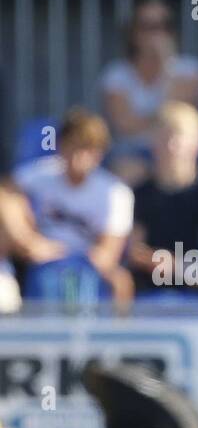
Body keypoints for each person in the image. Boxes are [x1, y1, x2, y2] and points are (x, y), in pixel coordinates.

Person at [0, 108, 134, 308]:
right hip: (41, 260)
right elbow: (5, 193)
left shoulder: (115, 192)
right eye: (73, 147)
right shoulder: (43, 174)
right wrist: (28, 239)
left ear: (100, 153)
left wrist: (71, 257)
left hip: (88, 264)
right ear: (60, 146)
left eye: (88, 149)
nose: (79, 157)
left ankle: (115, 336)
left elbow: (108, 253)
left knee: (121, 282)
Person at [126, 101, 198, 301]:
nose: (171, 145)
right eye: (164, 137)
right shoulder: (141, 193)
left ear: (197, 144)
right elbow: (135, 251)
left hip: (197, 295)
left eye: (179, 137)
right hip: (149, 292)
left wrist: (180, 268)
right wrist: (157, 262)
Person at [99, 0, 198, 186]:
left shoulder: (190, 70)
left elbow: (181, 115)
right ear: (133, 32)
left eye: (162, 26)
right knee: (125, 173)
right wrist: (161, 120)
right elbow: (125, 124)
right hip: (133, 151)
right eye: (147, 27)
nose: (155, 35)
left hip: (178, 148)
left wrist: (167, 63)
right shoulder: (116, 75)